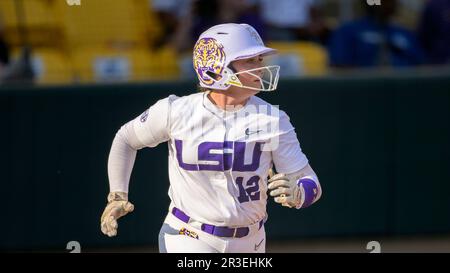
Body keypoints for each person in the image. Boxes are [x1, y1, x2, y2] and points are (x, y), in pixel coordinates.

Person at [100, 23, 322, 253]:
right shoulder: (176, 110)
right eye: (249, 60)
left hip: (252, 240)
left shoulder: (272, 118)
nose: (259, 68)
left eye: (259, 60)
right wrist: (117, 195)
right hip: (188, 234)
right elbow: (125, 139)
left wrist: (300, 193)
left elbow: (309, 181)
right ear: (218, 68)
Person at [328, 0, 424, 68]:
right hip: (363, 92)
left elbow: (423, 68)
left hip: (405, 92)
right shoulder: (347, 32)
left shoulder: (406, 34)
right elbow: (339, 69)